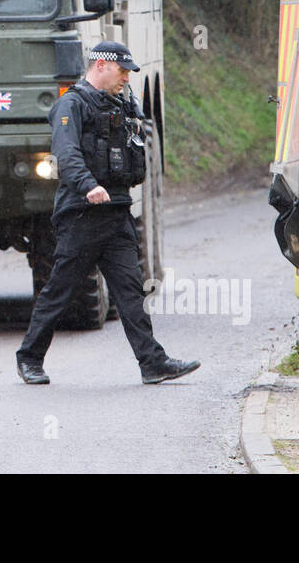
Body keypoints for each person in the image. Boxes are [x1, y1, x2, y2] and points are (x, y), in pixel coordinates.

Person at [16, 41, 199, 386]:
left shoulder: (123, 104)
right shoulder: (71, 104)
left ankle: (152, 363)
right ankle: (29, 358)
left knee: (132, 291)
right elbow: (65, 153)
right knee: (60, 291)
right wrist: (88, 185)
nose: (127, 78)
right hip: (82, 214)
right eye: (122, 70)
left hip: (116, 213)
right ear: (101, 65)